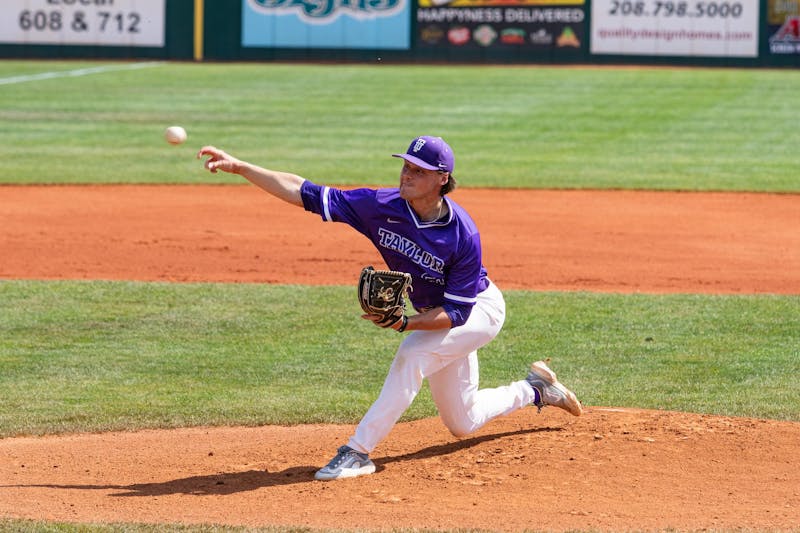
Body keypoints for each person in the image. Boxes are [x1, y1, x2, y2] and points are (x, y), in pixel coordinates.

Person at [197, 136, 583, 481]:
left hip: (478, 312)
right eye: (405, 166)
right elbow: (306, 192)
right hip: (440, 315)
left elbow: (458, 315)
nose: (407, 175)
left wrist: (405, 324)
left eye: (419, 170)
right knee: (463, 421)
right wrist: (242, 167)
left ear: (442, 178)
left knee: (411, 356)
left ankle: (356, 452)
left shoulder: (462, 233)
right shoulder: (379, 204)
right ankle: (535, 390)